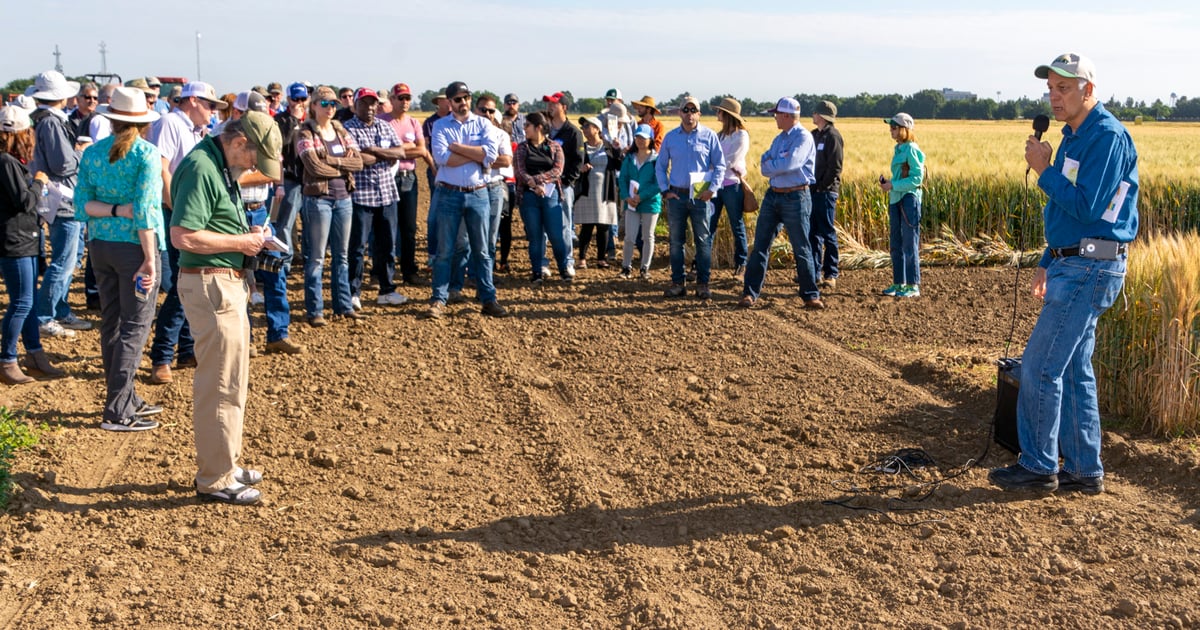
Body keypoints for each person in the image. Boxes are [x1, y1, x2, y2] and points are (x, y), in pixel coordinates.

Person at [988, 53, 1139, 495]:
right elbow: (1068, 214)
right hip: (1074, 261)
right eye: (1051, 89)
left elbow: (1089, 208)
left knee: (1040, 366)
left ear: (1088, 90)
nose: (1054, 97)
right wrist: (1048, 259)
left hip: (1092, 266)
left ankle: (1038, 465)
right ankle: (1084, 469)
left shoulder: (1106, 137)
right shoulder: (1073, 137)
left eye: (1064, 88)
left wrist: (1044, 170)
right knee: (1073, 370)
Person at [170, 111, 281, 505]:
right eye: (253, 158)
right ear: (238, 142)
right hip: (211, 285)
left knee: (230, 382)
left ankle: (225, 464)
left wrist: (245, 235)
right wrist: (240, 244)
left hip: (221, 283)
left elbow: (208, 224)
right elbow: (183, 235)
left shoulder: (216, 165)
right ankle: (215, 478)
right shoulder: (202, 168)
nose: (253, 167)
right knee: (220, 385)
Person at [73, 87, 164, 429]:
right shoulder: (146, 154)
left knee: (111, 322)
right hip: (135, 248)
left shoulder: (93, 153)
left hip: (100, 245)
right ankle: (117, 409)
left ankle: (125, 397)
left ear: (111, 120)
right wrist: (150, 258)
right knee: (135, 326)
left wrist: (113, 210)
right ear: (142, 122)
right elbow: (145, 210)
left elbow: (82, 205)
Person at [147, 81, 228, 384]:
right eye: (209, 105)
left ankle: (185, 349)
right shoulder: (170, 123)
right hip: (178, 212)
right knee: (183, 283)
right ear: (193, 100)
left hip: (189, 212)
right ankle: (162, 356)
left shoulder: (196, 131)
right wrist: (177, 210)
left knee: (190, 280)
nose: (212, 111)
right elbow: (161, 169)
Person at [427, 81, 507, 318]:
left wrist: (457, 148)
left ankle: (488, 299)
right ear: (450, 102)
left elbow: (490, 155)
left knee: (482, 251)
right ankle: (439, 299)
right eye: (458, 99)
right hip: (449, 193)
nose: (463, 102)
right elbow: (442, 158)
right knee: (445, 250)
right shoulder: (440, 125)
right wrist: (476, 154)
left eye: (466, 98)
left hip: (478, 192)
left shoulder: (483, 123)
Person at [738, 97, 822, 309]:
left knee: (801, 247)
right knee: (760, 246)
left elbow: (791, 163)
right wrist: (777, 165)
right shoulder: (780, 139)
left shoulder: (803, 137)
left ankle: (810, 295)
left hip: (796, 197)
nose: (774, 117)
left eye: (776, 114)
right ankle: (750, 293)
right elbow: (764, 164)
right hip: (773, 195)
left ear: (786, 115)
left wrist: (774, 165)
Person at [0, 106, 64, 384]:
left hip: (24, 238)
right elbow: (24, 201)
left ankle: (34, 353)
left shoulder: (11, 162)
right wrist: (38, 183)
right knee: (22, 302)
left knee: (27, 301)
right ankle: (7, 359)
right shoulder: (6, 162)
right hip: (14, 241)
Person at [29, 70, 90, 339]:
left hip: (57, 197)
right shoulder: (52, 123)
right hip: (63, 196)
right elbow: (62, 164)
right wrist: (81, 154)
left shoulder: (43, 120)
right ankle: (44, 316)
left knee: (68, 258)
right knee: (64, 261)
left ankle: (60, 310)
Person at [295, 88, 364, 327]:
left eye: (333, 103)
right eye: (324, 103)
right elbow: (313, 167)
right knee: (316, 258)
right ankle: (315, 310)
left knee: (341, 256)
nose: (330, 108)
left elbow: (358, 162)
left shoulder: (340, 130)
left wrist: (333, 162)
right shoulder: (305, 133)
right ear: (314, 105)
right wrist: (343, 166)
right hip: (319, 200)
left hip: (344, 198)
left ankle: (343, 305)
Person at [342, 87, 408, 308]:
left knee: (387, 245)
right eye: (364, 103)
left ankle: (387, 289)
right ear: (355, 105)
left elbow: (400, 153)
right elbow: (358, 160)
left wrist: (373, 150)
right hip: (361, 196)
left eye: (373, 103)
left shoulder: (384, 125)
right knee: (357, 247)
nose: (370, 107)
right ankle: (353, 292)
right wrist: (383, 154)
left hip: (387, 194)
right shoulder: (348, 129)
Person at [655, 95, 725, 299]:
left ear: (699, 114)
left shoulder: (709, 136)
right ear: (680, 113)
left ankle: (703, 284)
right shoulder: (671, 137)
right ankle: (678, 283)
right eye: (685, 110)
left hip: (700, 196)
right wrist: (665, 190)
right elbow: (660, 166)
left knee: (703, 241)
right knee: (676, 242)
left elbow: (720, 165)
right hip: (676, 195)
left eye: (693, 110)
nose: (689, 114)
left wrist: (712, 189)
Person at [378, 82, 427, 286]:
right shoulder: (381, 122)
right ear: (392, 99)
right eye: (401, 98)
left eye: (408, 98)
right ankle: (382, 271)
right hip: (386, 177)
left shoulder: (413, 122)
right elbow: (379, 151)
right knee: (386, 227)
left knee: (408, 228)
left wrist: (395, 150)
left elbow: (421, 150)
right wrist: (407, 147)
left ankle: (409, 270)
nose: (405, 102)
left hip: (408, 178)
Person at [513, 111, 568, 287]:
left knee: (556, 235)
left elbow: (557, 170)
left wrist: (538, 181)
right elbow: (519, 171)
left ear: (538, 127)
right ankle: (536, 271)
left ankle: (563, 268)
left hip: (550, 195)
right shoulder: (522, 148)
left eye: (527, 125)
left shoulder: (555, 147)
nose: (524, 128)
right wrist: (533, 184)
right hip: (529, 196)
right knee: (535, 236)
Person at [878, 112, 926, 298]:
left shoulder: (911, 149)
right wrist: (889, 183)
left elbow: (917, 179)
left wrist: (893, 185)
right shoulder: (898, 149)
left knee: (909, 243)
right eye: (890, 127)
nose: (890, 130)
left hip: (908, 199)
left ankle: (913, 285)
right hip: (896, 198)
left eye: (894, 127)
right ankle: (899, 283)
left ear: (904, 129)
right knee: (896, 243)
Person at [710, 97, 750, 282]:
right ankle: (701, 264)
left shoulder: (741, 136)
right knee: (709, 225)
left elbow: (731, 160)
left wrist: (714, 166)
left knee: (737, 225)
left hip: (732, 185)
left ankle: (741, 264)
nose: (717, 114)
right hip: (716, 185)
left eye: (719, 111)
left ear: (727, 115)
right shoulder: (720, 135)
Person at [544, 92, 583, 279]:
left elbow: (578, 161)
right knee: (542, 226)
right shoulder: (543, 129)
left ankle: (567, 263)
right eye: (549, 104)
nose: (550, 107)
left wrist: (567, 181)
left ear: (564, 107)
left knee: (564, 225)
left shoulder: (573, 132)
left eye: (554, 104)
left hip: (563, 186)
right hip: (543, 185)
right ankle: (543, 264)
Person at [574, 116, 621, 269]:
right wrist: (580, 169)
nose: (584, 129)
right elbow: (574, 165)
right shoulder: (581, 147)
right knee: (587, 225)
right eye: (583, 127)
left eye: (587, 126)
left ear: (597, 129)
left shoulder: (608, 147)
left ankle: (601, 258)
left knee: (603, 225)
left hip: (605, 191)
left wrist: (617, 149)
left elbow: (619, 165)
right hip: (587, 191)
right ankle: (582, 258)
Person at [616, 124, 662, 280]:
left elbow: (659, 183)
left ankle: (644, 268)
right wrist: (626, 197)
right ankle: (626, 267)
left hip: (650, 203)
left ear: (651, 140)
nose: (640, 140)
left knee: (648, 236)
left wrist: (641, 196)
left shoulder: (656, 160)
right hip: (631, 203)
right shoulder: (629, 158)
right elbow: (622, 179)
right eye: (637, 137)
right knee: (629, 236)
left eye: (644, 138)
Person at [274, 81, 309, 276]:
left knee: (311, 224)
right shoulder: (280, 120)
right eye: (296, 99)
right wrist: (294, 121)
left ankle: (308, 260)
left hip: (310, 180)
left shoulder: (311, 119)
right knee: (285, 224)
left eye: (303, 98)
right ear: (288, 99)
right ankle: (285, 263)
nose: (300, 102)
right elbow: (281, 146)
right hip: (290, 179)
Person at [810, 100, 843, 290]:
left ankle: (831, 273)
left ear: (822, 116)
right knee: (813, 233)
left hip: (826, 192)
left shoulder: (833, 136)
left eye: (815, 112)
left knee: (827, 232)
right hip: (812, 191)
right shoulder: (814, 135)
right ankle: (814, 273)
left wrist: (822, 186)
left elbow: (835, 167)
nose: (813, 115)